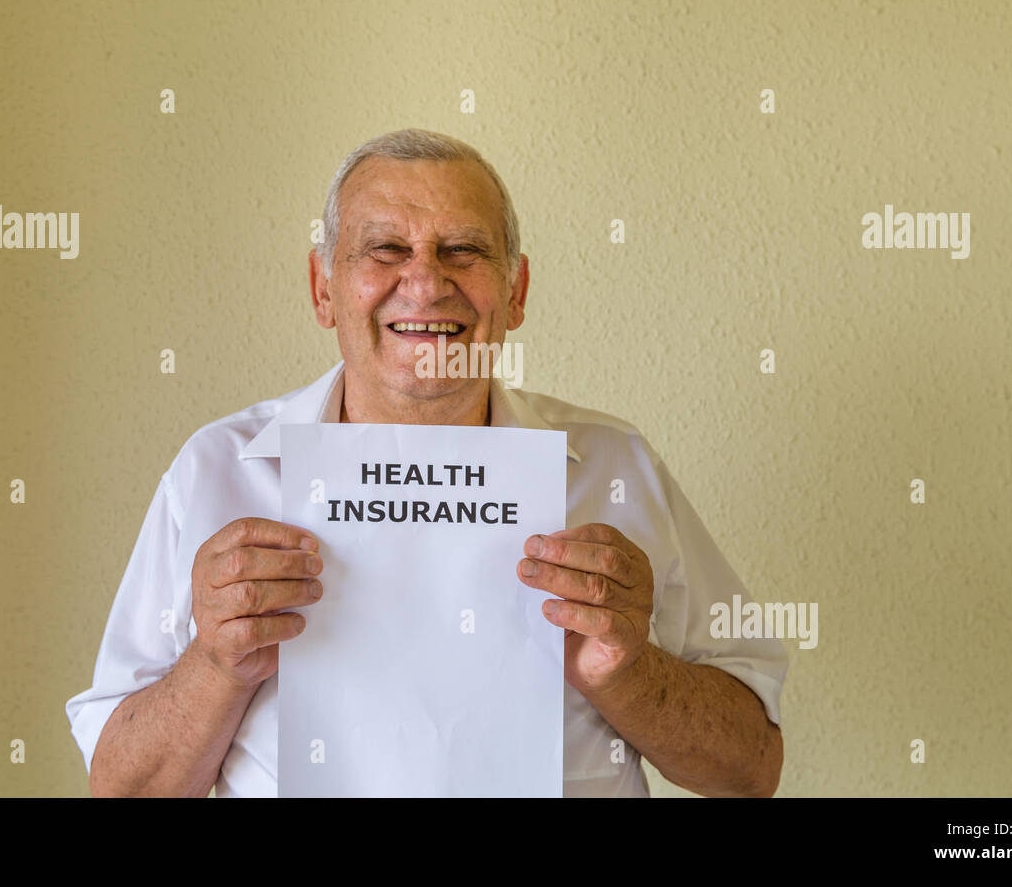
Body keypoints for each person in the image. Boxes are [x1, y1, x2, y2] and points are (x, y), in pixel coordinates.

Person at [65, 128, 788, 797]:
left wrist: (631, 671)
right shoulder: (216, 471)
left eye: (463, 250)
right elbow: (122, 788)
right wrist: (215, 664)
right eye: (385, 249)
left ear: (517, 291)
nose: (425, 281)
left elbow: (751, 768)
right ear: (323, 289)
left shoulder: (616, 465)